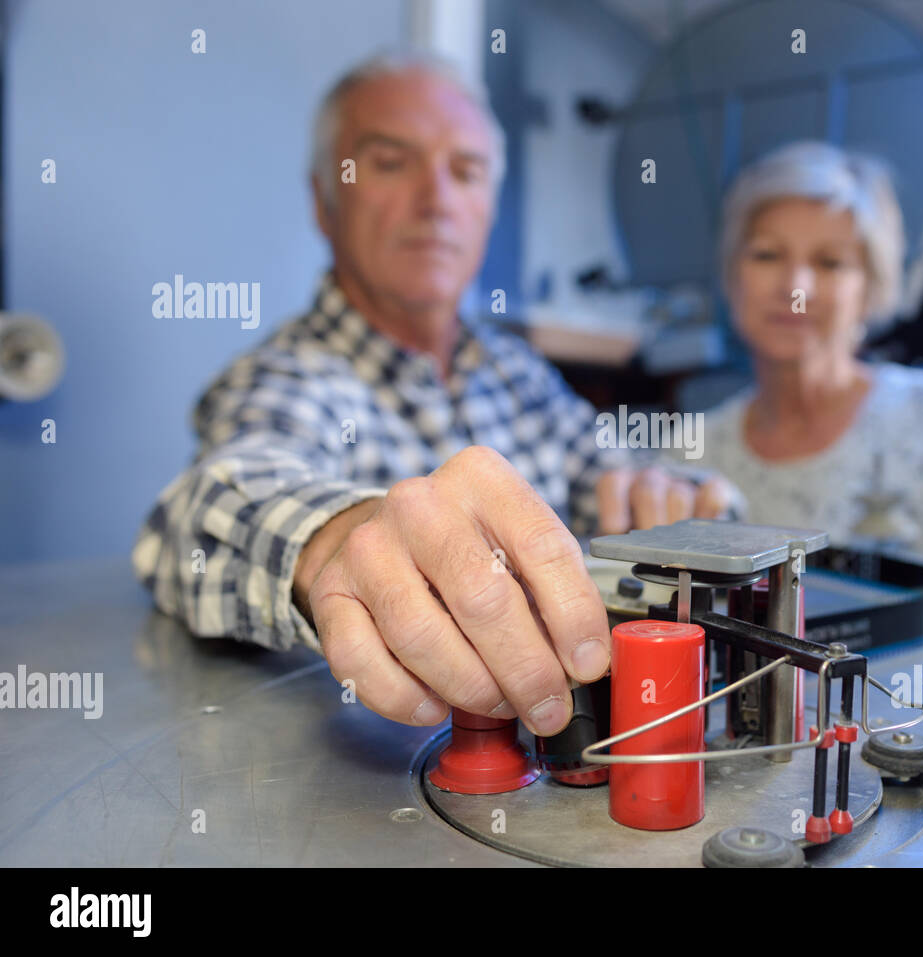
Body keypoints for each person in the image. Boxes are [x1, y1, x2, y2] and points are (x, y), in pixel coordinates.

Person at [131, 51, 733, 738]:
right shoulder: (289, 377)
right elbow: (210, 502)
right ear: (325, 201)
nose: (436, 198)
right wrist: (337, 543)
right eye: (390, 163)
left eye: (466, 171)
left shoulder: (518, 371)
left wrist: (673, 500)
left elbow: (616, 472)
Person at [683, 140, 923, 563]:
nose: (795, 288)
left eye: (830, 263)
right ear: (732, 278)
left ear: (871, 289)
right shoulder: (691, 454)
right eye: (767, 255)